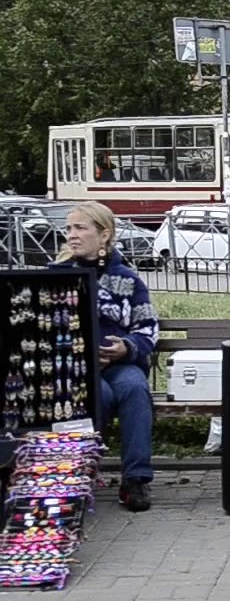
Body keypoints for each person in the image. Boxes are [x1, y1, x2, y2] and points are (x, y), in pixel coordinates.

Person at [52, 202, 159, 512]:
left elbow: (147, 328)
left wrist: (126, 347)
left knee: (134, 389)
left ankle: (135, 480)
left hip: (118, 364)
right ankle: (78, 475)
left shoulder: (128, 280)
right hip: (71, 367)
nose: (72, 235)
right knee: (100, 394)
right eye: (69, 228)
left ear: (104, 235)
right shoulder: (55, 276)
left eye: (80, 228)